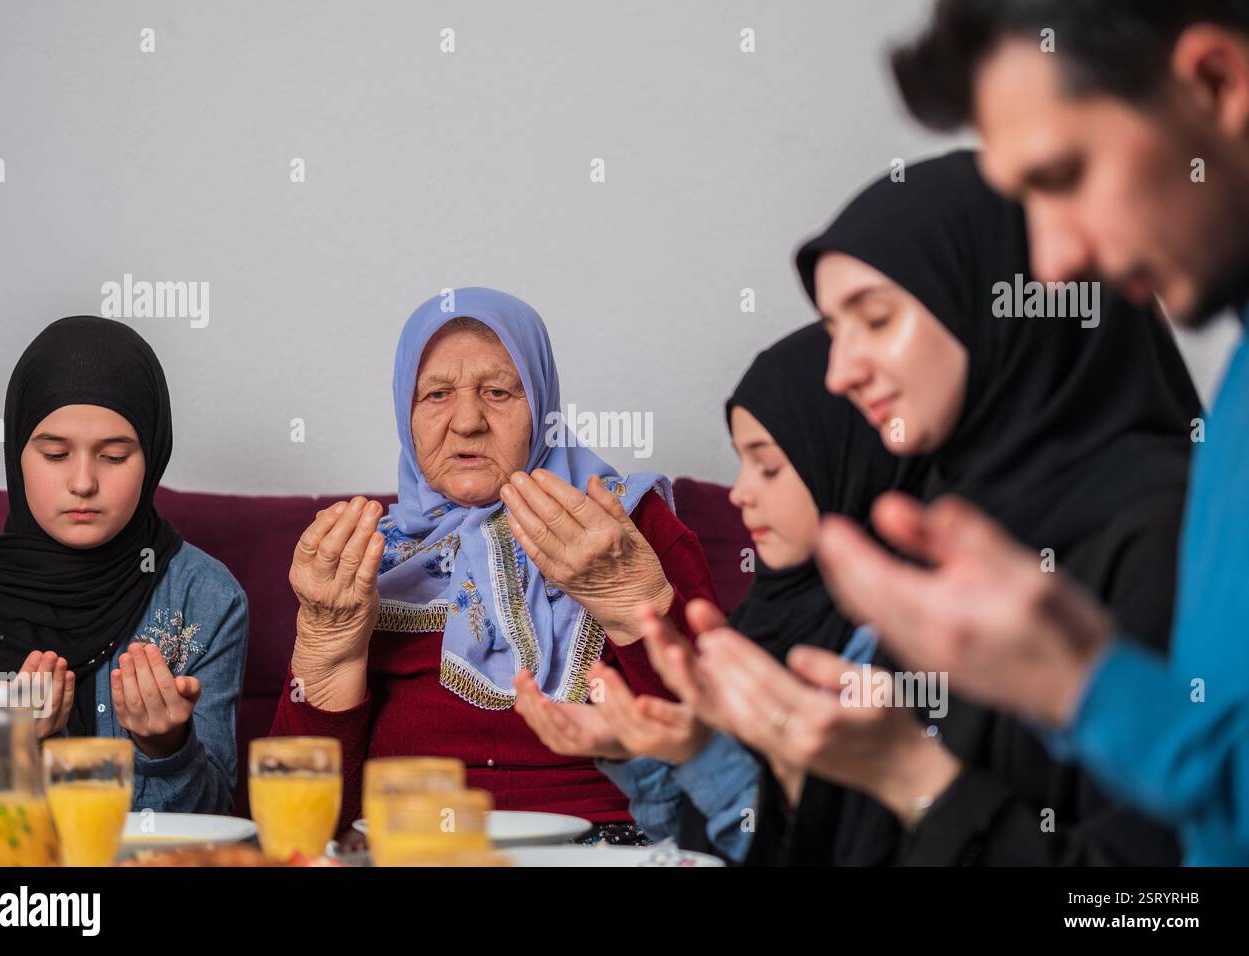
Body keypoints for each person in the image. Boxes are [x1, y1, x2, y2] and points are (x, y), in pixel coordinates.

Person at [646, 152, 1198, 864]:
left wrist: (908, 776)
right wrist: (797, 761)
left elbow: (1151, 908)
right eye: (834, 329)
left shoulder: (1167, 538)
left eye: (875, 319)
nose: (841, 372)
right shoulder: (932, 533)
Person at [803, 0, 1249, 866]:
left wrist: (1080, 685)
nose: (1051, 265)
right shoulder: (1234, 396)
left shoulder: (1152, 519)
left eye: (1063, 175)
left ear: (1217, 84)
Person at [270, 288, 718, 840]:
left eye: (499, 392)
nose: (467, 422)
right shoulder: (364, 556)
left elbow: (719, 751)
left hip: (600, 844)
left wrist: (633, 605)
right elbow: (302, 825)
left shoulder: (622, 523)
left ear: (542, 403)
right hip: (412, 845)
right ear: (404, 413)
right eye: (435, 394)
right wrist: (326, 643)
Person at [515, 324, 929, 863]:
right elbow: (689, 837)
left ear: (846, 457)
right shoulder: (770, 613)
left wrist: (701, 751)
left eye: (770, 466)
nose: (740, 492)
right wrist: (637, 747)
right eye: (740, 460)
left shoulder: (903, 645)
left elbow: (814, 849)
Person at [0, 316, 248, 814]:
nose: (83, 482)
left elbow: (216, 820)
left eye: (112, 457)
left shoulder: (205, 596)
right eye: (55, 454)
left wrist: (167, 749)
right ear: (17, 454)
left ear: (151, 457)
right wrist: (4, 752)